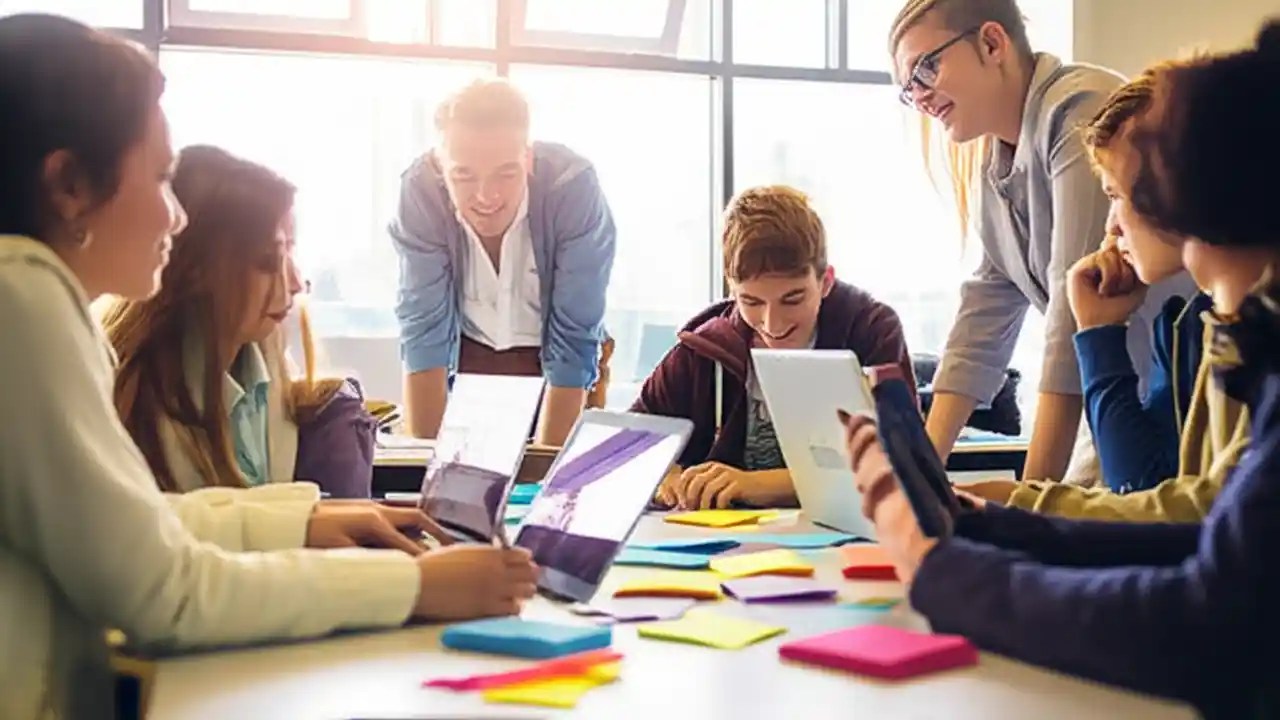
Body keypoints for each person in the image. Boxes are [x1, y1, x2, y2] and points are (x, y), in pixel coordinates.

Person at [0, 15, 537, 719]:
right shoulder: (24, 299)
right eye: (162, 179)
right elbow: (167, 592)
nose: (176, 218)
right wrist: (414, 589)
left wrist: (304, 521)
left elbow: (136, 528)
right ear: (69, 185)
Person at [843, 24, 1280, 717]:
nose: (1109, 217)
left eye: (1117, 188)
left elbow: (1205, 616)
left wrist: (945, 569)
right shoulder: (1240, 336)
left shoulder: (1237, 339)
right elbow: (1209, 524)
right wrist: (987, 522)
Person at [889, 0, 1196, 484]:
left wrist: (1033, 501)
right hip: (1112, 400)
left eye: (926, 68)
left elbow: (1067, 319)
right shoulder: (996, 158)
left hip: (1173, 400)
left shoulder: (1079, 108)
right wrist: (916, 473)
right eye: (909, 88)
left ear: (992, 43)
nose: (920, 96)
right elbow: (983, 314)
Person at [964, 68, 1247, 521]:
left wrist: (1024, 505)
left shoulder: (1253, 334)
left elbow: (1210, 522)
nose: (1111, 225)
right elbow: (1142, 482)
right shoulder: (1193, 324)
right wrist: (1099, 331)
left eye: (1116, 195)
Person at [103, 144, 375, 497]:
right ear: (196, 268)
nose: (294, 283)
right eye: (267, 260)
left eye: (290, 251)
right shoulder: (127, 400)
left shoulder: (268, 363)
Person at [636, 186, 915, 510]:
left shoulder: (871, 331)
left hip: (843, 540)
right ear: (732, 288)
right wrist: (664, 477)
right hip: (719, 547)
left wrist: (756, 485)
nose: (773, 324)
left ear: (825, 281)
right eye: (751, 301)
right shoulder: (701, 351)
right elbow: (629, 449)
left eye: (792, 299)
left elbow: (902, 464)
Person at [390, 78, 616, 446]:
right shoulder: (420, 190)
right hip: (464, 365)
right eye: (463, 175)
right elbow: (423, 330)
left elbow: (574, 335)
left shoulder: (573, 187)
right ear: (440, 163)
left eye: (505, 173)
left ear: (527, 158)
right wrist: (425, 467)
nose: (485, 196)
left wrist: (545, 477)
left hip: (559, 375)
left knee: (550, 489)